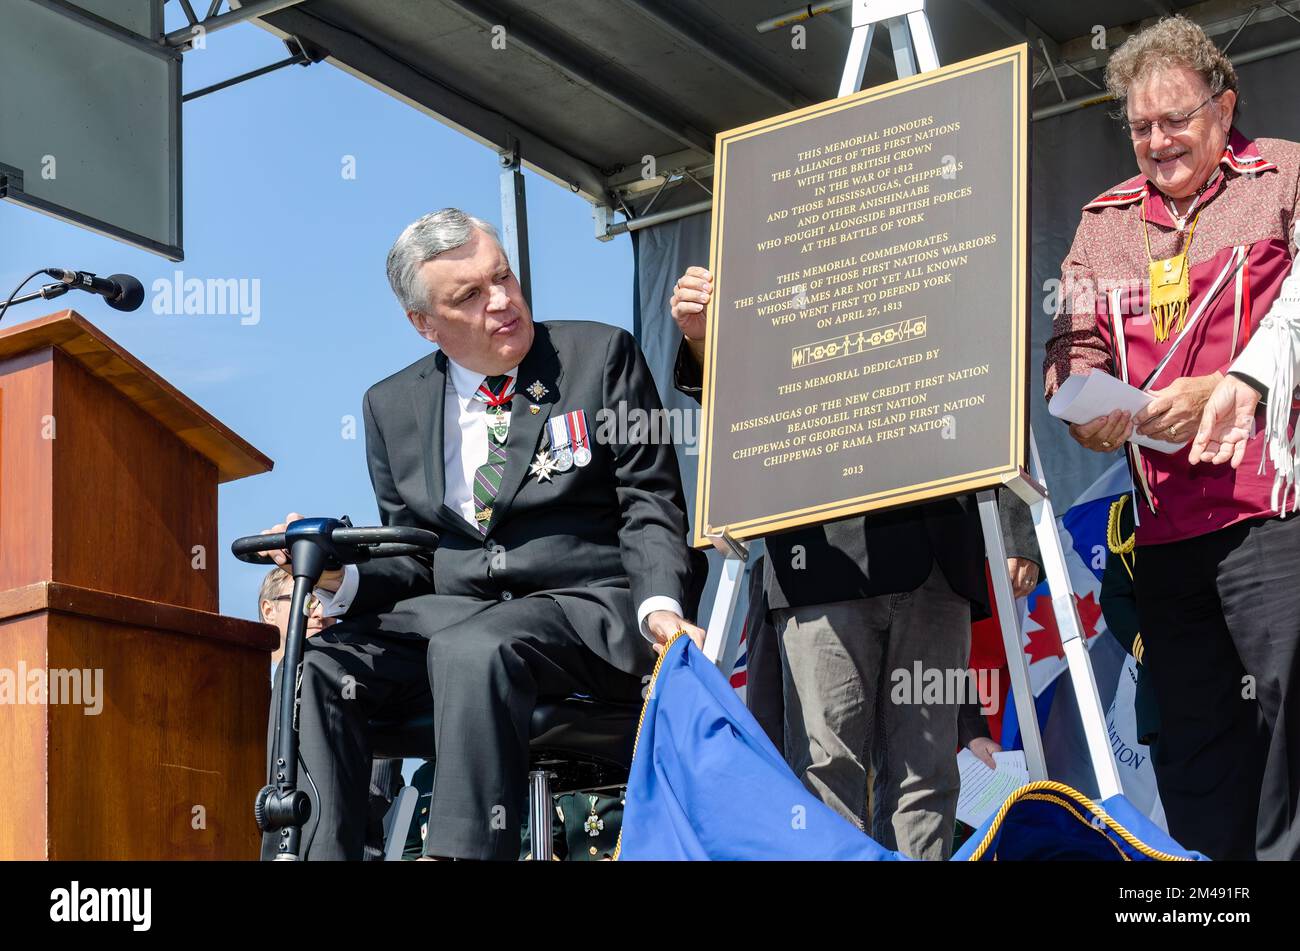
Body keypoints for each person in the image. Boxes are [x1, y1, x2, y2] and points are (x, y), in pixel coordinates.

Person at [261, 208, 703, 860]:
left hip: (585, 615)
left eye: (502, 277)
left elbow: (649, 503)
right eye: (469, 295)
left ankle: (460, 855)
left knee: (474, 645)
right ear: (424, 324)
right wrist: (336, 575)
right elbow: (414, 560)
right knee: (319, 666)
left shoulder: (598, 355)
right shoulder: (391, 407)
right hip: (457, 623)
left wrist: (661, 608)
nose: (501, 301)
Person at [671, 268, 1040, 860]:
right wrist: (701, 341)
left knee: (928, 774)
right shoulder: (776, 228)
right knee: (823, 770)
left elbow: (988, 360)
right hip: (818, 556)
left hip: (938, 550)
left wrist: (1016, 525)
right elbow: (745, 384)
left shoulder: (946, 210)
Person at [1043, 15, 1300, 859]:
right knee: (1193, 754)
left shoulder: (1286, 177)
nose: (1157, 142)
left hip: (1274, 518)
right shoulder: (1103, 223)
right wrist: (1083, 407)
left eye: (1175, 119)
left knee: (1285, 739)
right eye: (1140, 126)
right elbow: (1073, 348)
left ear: (1223, 110)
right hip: (1163, 537)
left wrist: (1240, 389)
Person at [258, 566, 404, 861]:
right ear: (268, 610)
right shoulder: (242, 697)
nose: (319, 612)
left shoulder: (360, 688)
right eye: (308, 599)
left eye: (327, 600)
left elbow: (374, 793)